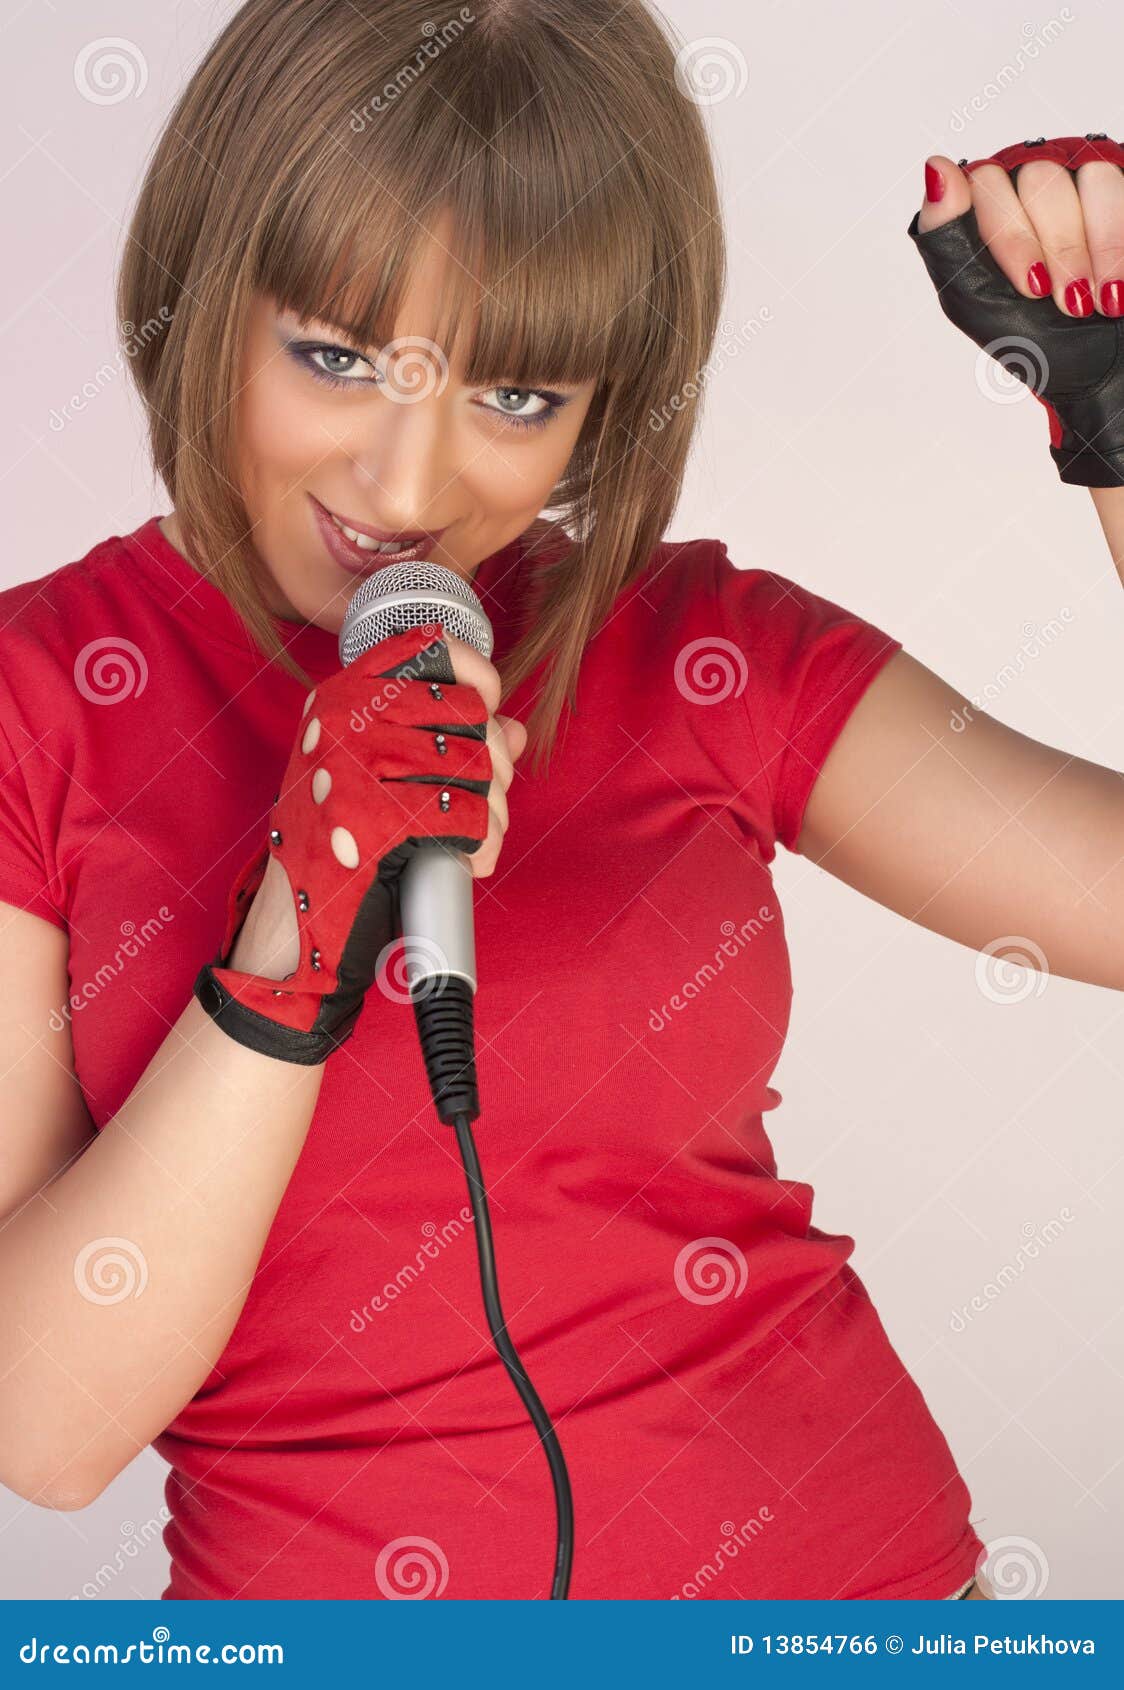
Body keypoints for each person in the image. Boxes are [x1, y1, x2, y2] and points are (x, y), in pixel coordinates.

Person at [1, 0, 1121, 1602]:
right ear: (204, 282)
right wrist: (294, 931)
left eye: (518, 395)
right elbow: (44, 1428)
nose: (407, 487)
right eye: (333, 356)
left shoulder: (700, 650)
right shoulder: (41, 696)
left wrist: (1123, 429)